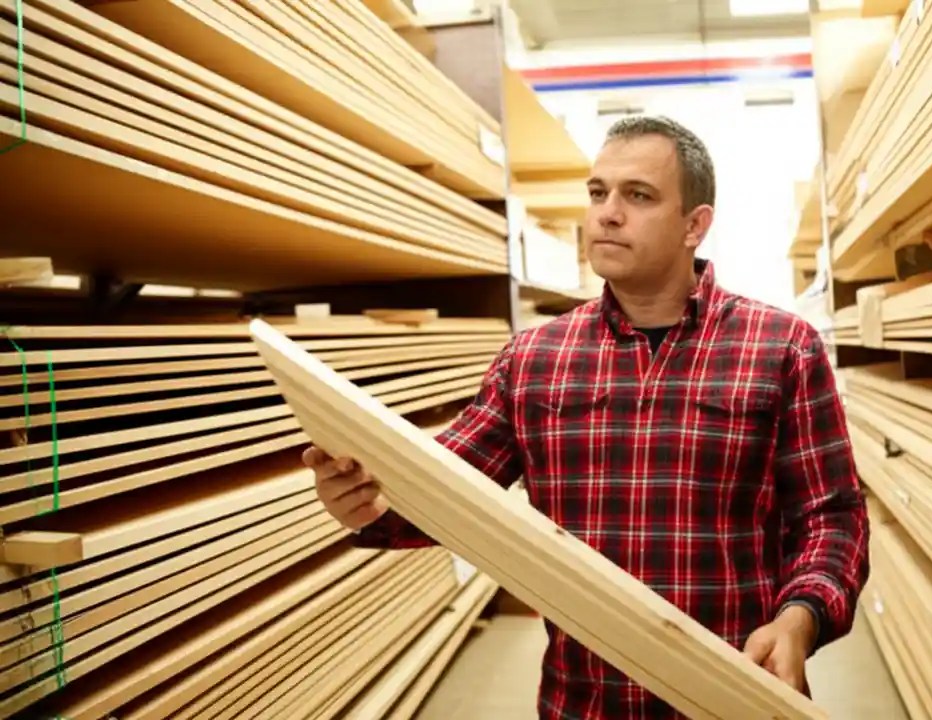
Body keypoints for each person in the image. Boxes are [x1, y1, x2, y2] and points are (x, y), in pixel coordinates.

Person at [303, 115, 870, 719]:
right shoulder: (534, 359)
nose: (607, 212)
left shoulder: (781, 347)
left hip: (735, 699)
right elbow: (443, 488)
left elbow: (831, 516)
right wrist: (368, 499)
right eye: (598, 192)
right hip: (585, 703)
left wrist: (799, 619)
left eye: (639, 196)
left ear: (694, 225)